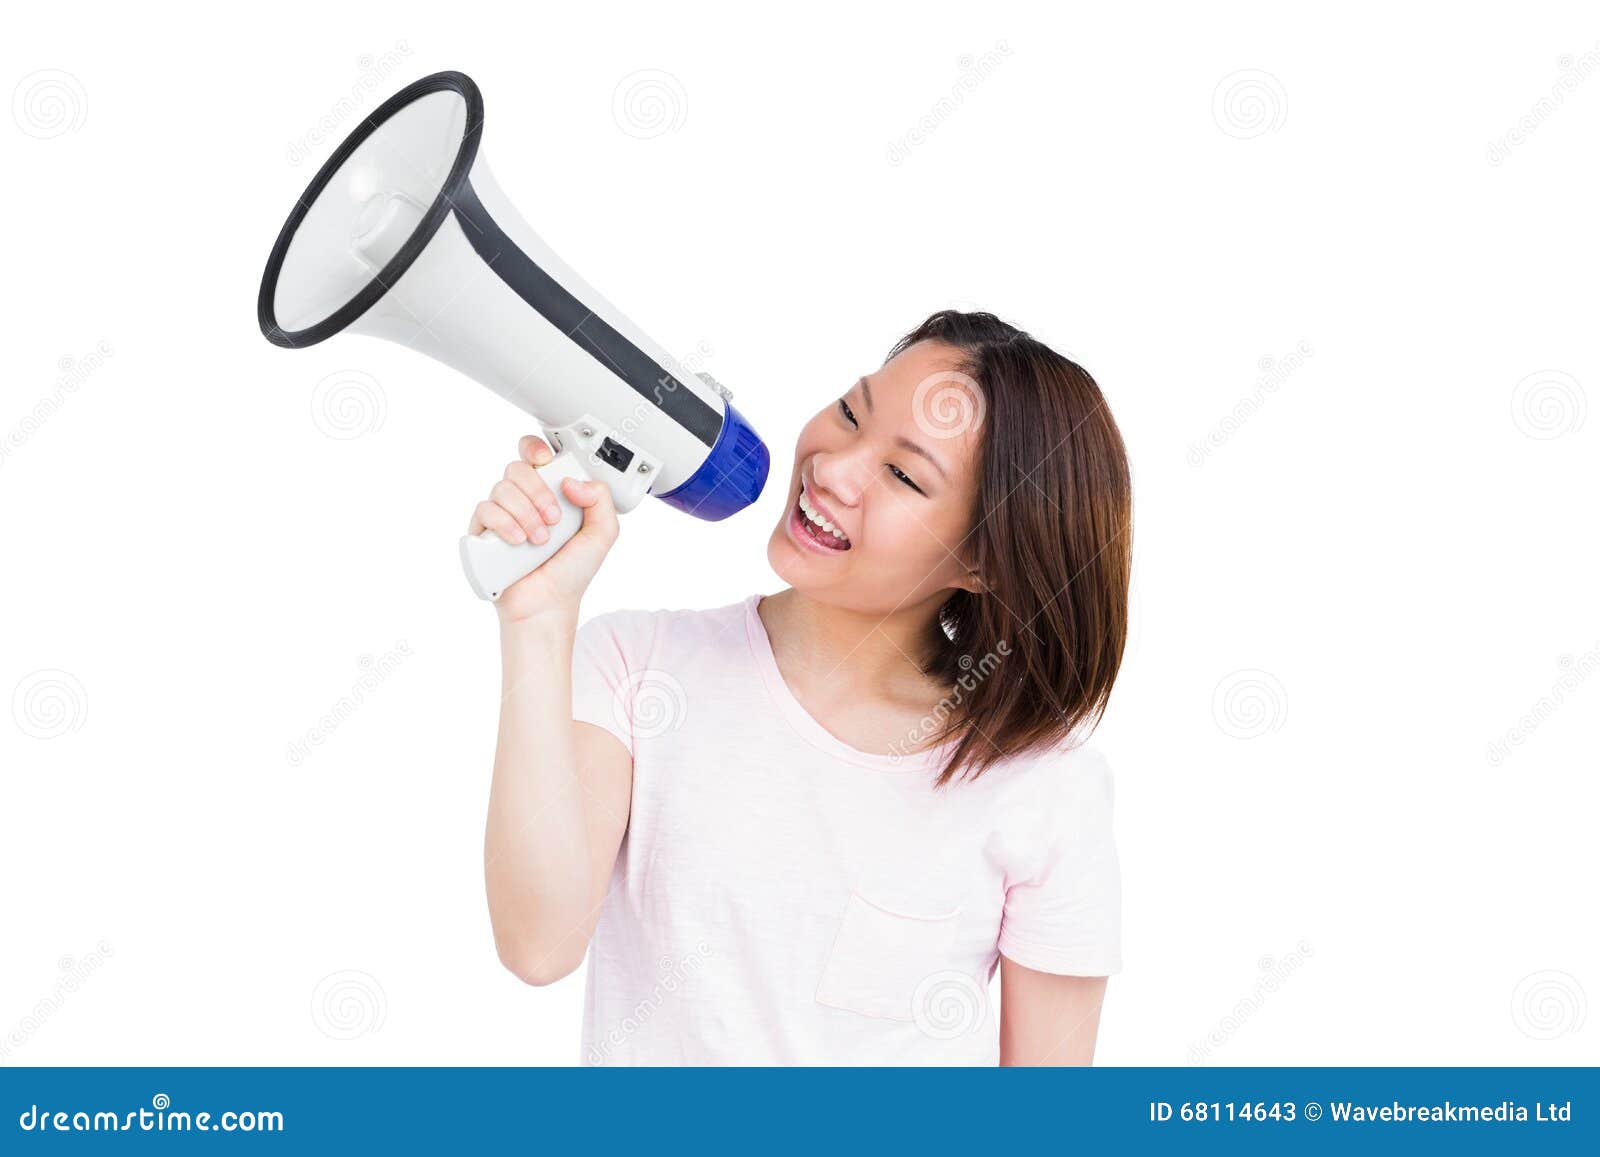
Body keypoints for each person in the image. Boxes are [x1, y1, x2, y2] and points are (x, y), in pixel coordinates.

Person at [478, 310, 1132, 1065]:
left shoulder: (1043, 786)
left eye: (903, 475)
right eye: (852, 412)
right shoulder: (636, 667)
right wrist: (537, 617)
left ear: (984, 561)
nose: (834, 469)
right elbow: (538, 945)